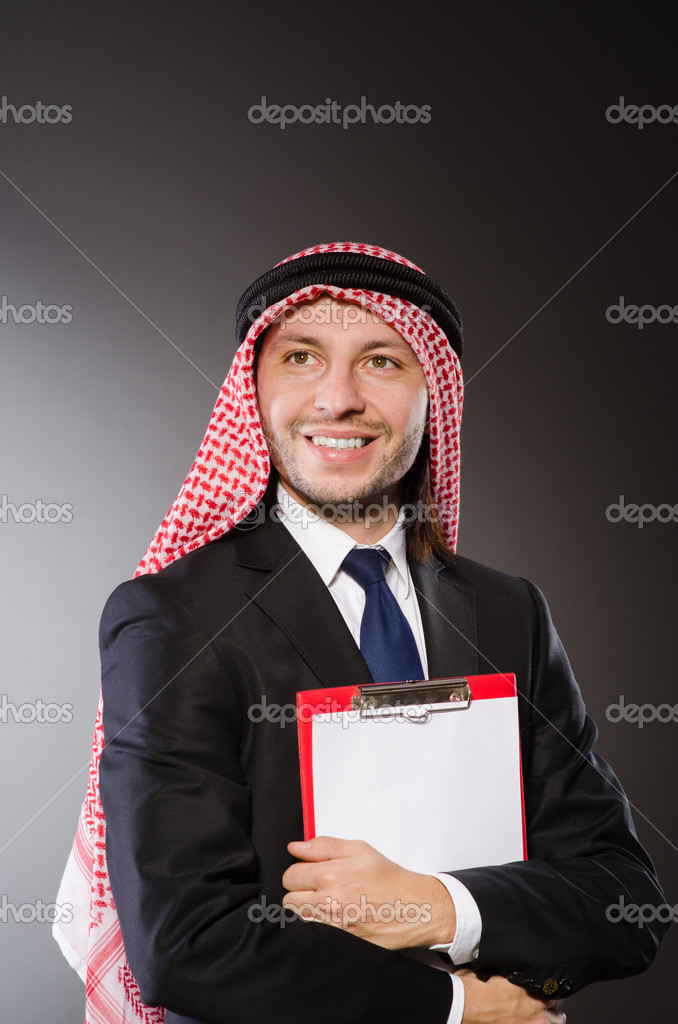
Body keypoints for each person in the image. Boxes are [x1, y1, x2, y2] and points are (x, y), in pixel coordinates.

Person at [53, 242, 667, 1024]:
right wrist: (454, 1007)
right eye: (302, 356)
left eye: (381, 361)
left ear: (432, 395)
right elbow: (186, 943)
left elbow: (624, 901)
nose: (336, 398)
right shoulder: (173, 617)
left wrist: (437, 906)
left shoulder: (510, 611)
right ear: (254, 389)